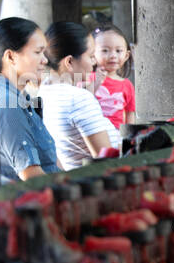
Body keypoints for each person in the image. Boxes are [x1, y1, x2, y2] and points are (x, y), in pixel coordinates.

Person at [41, 21, 120, 170]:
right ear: (69, 61)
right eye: (90, 56)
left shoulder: (44, 92)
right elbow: (106, 160)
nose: (94, 62)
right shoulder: (78, 98)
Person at [0, 17, 59, 183]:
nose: (45, 60)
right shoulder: (8, 103)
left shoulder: (22, 98)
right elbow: (32, 178)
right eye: (38, 52)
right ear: (10, 57)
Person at [93, 25, 136, 128]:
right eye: (105, 50)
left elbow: (130, 115)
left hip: (116, 137)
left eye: (118, 51)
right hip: (93, 136)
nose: (113, 55)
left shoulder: (127, 85)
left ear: (126, 55)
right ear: (92, 54)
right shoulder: (87, 78)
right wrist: (96, 83)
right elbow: (82, 102)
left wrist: (129, 138)